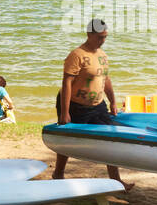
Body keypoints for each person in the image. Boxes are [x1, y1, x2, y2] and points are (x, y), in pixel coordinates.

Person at [52, 18, 130, 189]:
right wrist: (65, 113)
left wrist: (113, 102)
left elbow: (106, 79)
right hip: (75, 104)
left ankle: (116, 179)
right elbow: (67, 83)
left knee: (110, 139)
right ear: (89, 34)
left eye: (105, 37)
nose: (103, 41)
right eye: (100, 37)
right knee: (68, 140)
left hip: (98, 104)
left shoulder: (102, 55)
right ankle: (58, 173)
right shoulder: (77, 55)